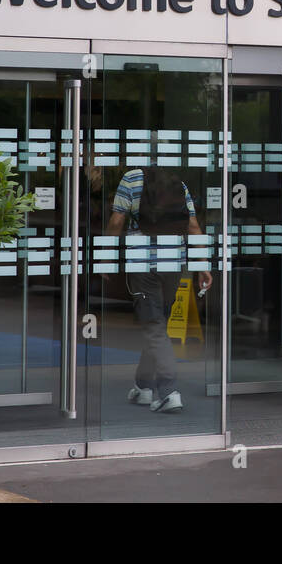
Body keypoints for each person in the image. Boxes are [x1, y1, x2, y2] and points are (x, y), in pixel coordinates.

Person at [108, 165, 211, 414]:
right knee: (156, 325)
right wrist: (203, 265)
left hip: (143, 265)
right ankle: (143, 386)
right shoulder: (178, 182)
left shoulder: (131, 178)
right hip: (172, 265)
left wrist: (105, 256)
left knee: (153, 326)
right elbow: (194, 227)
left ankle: (168, 391)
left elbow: (116, 220)